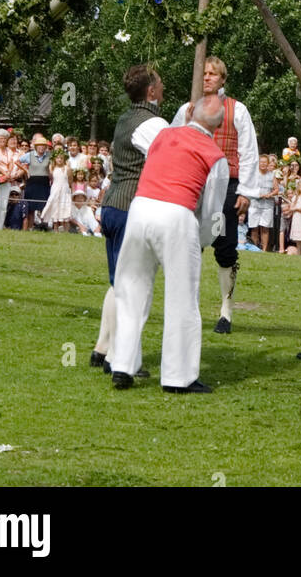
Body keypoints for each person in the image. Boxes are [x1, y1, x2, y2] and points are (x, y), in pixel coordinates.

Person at [111, 94, 229, 393]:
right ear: (219, 125)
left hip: (140, 208)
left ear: (191, 113)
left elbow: (139, 136)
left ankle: (122, 364)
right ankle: (178, 377)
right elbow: (213, 210)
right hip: (177, 214)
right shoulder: (215, 155)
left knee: (130, 288)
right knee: (182, 297)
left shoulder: (162, 135)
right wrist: (202, 240)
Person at [172, 56, 259, 334]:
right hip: (193, 184)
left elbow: (248, 152)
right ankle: (189, 307)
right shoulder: (187, 109)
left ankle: (226, 310)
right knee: (190, 244)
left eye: (213, 74)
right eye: (204, 73)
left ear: (223, 79)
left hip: (226, 186)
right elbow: (171, 141)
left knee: (224, 247)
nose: (207, 77)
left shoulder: (237, 110)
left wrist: (246, 190)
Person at [91, 65, 168, 374]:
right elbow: (167, 161)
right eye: (160, 84)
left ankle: (102, 348)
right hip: (131, 208)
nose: (162, 89)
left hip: (112, 205)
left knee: (118, 283)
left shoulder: (125, 118)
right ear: (150, 91)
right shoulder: (153, 123)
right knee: (134, 286)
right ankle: (120, 359)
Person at [20, 134, 52, 230]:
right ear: (36, 146)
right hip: (32, 182)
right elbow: (18, 161)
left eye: (43, 146)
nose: (41, 147)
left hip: (44, 182)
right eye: (39, 145)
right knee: (31, 207)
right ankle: (30, 227)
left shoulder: (50, 155)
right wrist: (26, 171)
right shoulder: (29, 155)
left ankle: (43, 227)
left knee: (44, 206)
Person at [0, 129, 18, 230]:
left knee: (4, 204)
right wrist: (4, 173)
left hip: (7, 179)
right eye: (1, 138)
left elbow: (11, 163)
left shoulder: (8, 150)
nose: (3, 140)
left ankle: (0, 227)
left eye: (5, 138)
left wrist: (9, 173)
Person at [248, 154, 277, 252]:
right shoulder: (254, 174)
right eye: (261, 162)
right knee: (254, 227)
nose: (263, 164)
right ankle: (254, 248)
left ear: (268, 163)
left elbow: (276, 189)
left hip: (267, 204)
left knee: (265, 228)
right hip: (255, 203)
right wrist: (257, 194)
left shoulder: (272, 175)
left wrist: (270, 194)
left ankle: (264, 250)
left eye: (265, 162)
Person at [42, 150, 73, 231]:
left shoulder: (67, 169)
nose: (59, 160)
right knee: (55, 207)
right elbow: (52, 179)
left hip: (64, 190)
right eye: (58, 158)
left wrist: (68, 189)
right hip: (55, 189)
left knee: (64, 207)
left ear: (64, 159)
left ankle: (64, 227)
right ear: (55, 159)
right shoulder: (53, 168)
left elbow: (70, 181)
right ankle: (55, 228)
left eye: (61, 158)